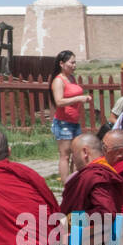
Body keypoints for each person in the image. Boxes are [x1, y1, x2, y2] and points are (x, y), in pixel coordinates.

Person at [60, 132, 123, 245]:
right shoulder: (108, 170)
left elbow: (105, 212)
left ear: (85, 152)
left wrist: (71, 219)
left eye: (73, 153)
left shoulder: (94, 175)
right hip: (101, 241)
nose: (73, 159)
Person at [49, 50, 91, 184]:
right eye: (71, 62)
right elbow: (59, 101)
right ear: (62, 64)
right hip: (63, 123)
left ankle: (75, 180)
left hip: (74, 121)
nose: (74, 65)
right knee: (65, 155)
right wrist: (79, 98)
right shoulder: (58, 81)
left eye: (75, 62)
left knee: (76, 152)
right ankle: (66, 183)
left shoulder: (72, 78)